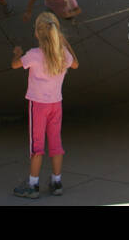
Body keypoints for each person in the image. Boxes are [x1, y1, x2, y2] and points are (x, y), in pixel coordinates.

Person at [11, 13, 79, 198]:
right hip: (56, 104)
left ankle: (33, 184)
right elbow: (76, 64)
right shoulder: (63, 55)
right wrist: (64, 43)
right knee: (56, 143)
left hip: (38, 106)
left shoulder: (34, 54)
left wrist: (17, 53)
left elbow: (15, 65)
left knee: (37, 145)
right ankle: (57, 181)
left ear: (37, 34)